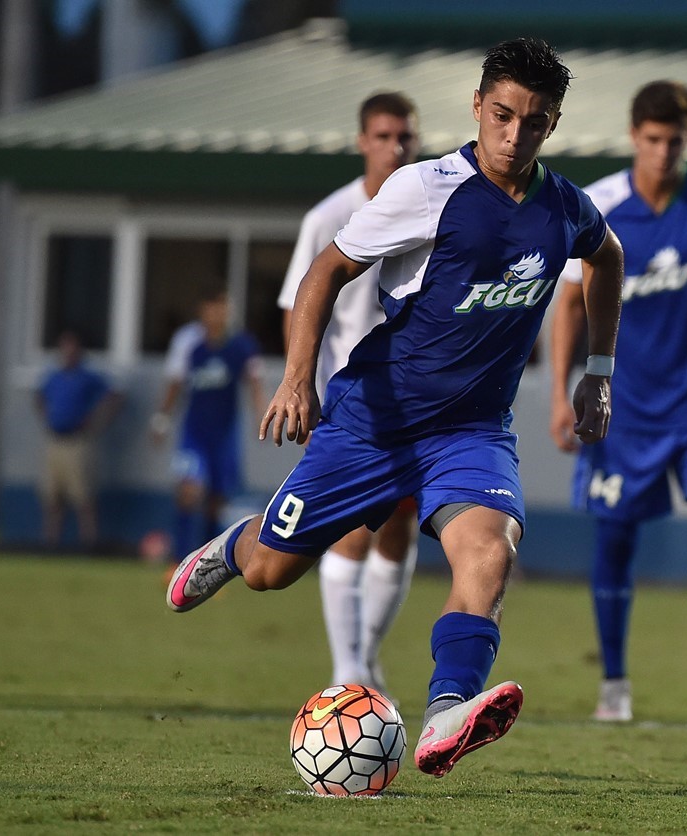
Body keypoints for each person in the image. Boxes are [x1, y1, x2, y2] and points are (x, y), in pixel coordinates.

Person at [166, 37, 624, 779]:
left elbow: (607, 258)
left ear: (553, 124)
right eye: (501, 115)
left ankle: (448, 712)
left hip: (472, 430)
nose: (514, 135)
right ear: (477, 106)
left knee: (489, 551)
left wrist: (597, 370)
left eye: (533, 123)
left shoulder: (566, 208)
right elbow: (328, 269)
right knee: (271, 574)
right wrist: (295, 377)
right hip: (371, 423)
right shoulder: (425, 188)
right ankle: (232, 545)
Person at [549, 80, 687, 728]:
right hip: (622, 412)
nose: (664, 151)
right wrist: (565, 392)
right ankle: (613, 688)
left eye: (675, 140)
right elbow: (567, 303)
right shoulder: (603, 205)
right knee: (614, 543)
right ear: (634, 136)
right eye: (653, 140)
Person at [278, 92, 423, 693]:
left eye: (405, 138)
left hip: (417, 403)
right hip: (350, 401)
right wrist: (300, 384)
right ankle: (349, 673)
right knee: (347, 528)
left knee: (399, 528)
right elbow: (297, 303)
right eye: (384, 136)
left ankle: (364, 656)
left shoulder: (431, 209)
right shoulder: (329, 215)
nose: (396, 147)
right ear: (363, 140)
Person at [150, 289, 264, 560]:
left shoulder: (242, 344)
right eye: (212, 307)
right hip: (195, 431)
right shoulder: (188, 342)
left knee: (216, 501)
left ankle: (205, 564)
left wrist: (263, 415)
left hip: (224, 434)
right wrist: (161, 420)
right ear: (202, 310)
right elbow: (175, 383)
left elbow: (254, 382)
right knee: (188, 492)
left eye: (223, 308)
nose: (218, 314)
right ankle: (178, 560)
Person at [36, 330, 121, 551]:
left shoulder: (87, 377)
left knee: (83, 496)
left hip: (77, 442)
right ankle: (51, 544)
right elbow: (39, 397)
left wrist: (96, 422)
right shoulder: (53, 377)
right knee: (53, 497)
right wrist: (47, 417)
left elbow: (113, 397)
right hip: (56, 440)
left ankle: (88, 545)